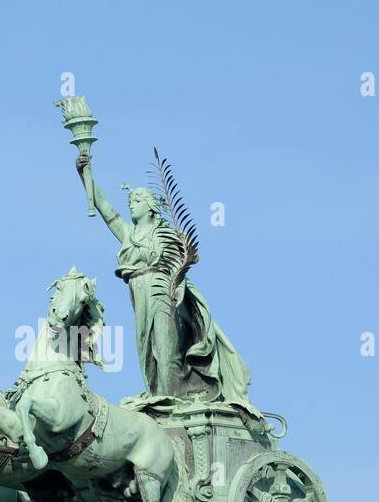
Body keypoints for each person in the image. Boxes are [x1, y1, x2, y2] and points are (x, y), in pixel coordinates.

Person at [75, 152, 257, 415]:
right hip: (138, 292)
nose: (131, 205)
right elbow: (105, 209)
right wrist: (85, 175)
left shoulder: (165, 234)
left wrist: (180, 274)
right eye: (130, 201)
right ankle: (158, 395)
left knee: (164, 345)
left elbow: (183, 261)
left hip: (162, 290)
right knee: (146, 349)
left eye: (136, 200)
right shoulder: (129, 234)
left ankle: (170, 401)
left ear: (150, 206)